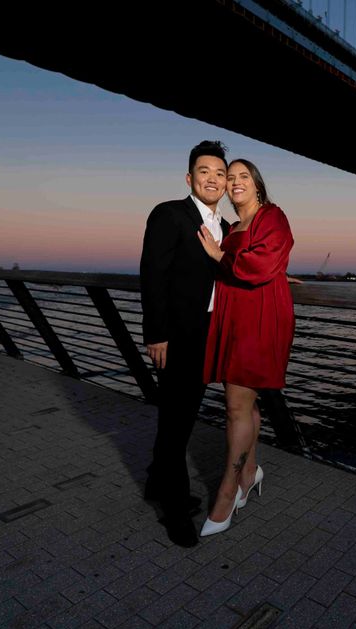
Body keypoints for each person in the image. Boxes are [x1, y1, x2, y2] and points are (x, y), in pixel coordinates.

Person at [196, 159, 295, 536]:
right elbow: (260, 262)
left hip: (260, 321)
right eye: (230, 177)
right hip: (235, 318)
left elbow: (264, 260)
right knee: (245, 402)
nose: (235, 182)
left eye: (243, 177)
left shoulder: (273, 216)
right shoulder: (232, 227)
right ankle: (250, 474)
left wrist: (222, 257)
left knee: (236, 406)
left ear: (257, 185)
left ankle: (226, 493)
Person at [139, 140, 229, 548]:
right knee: (176, 424)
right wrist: (156, 333)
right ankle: (175, 512)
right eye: (204, 171)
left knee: (179, 417)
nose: (213, 179)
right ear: (190, 177)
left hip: (208, 337)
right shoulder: (170, 214)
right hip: (176, 338)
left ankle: (157, 485)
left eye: (220, 173)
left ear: (227, 183)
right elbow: (152, 275)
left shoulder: (226, 228)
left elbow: (235, 271)